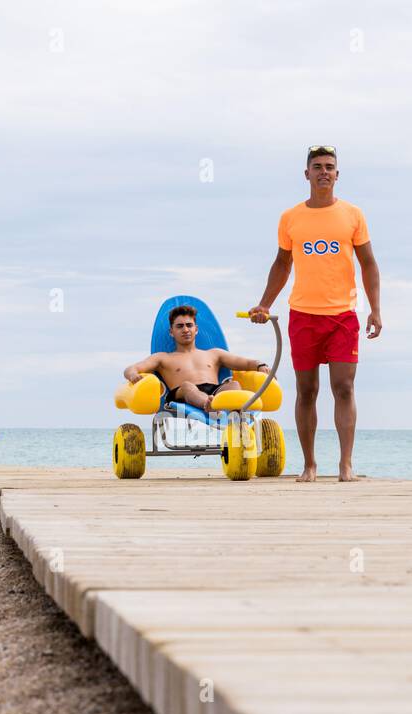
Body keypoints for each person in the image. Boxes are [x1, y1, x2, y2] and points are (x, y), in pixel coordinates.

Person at [248, 145, 381, 481]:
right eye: (318, 166)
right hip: (303, 315)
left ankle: (345, 464)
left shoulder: (353, 215)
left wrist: (375, 310)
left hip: (342, 316)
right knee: (306, 390)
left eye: (330, 167)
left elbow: (368, 263)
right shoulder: (291, 218)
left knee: (344, 388)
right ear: (306, 174)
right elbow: (282, 263)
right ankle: (309, 464)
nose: (324, 171)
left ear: (337, 174)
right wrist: (265, 304)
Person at [123, 304, 270, 411]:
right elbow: (132, 368)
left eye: (189, 325)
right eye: (179, 326)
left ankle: (235, 418)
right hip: (182, 394)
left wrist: (260, 365)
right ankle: (210, 405)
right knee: (188, 386)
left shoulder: (214, 354)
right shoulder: (163, 358)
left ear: (196, 329)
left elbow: (244, 362)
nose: (185, 329)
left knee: (233, 385)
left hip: (214, 391)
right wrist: (133, 375)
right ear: (171, 332)